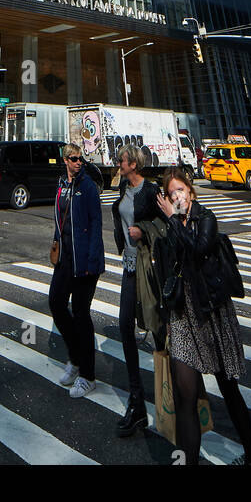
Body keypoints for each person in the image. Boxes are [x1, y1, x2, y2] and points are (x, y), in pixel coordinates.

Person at [156, 166, 251, 466]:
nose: (177, 196)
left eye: (180, 191)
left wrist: (174, 221)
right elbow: (169, 265)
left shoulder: (206, 219)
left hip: (211, 312)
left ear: (191, 192)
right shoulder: (171, 225)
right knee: (185, 397)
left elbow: (198, 251)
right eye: (171, 193)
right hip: (183, 316)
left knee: (229, 389)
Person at [111, 144, 163, 437]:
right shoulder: (122, 189)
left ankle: (170, 397)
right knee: (124, 327)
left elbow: (166, 222)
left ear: (133, 164)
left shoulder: (150, 190)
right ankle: (137, 404)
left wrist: (144, 231)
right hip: (129, 268)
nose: (118, 164)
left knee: (158, 331)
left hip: (149, 269)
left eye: (121, 160)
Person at [48, 143, 103, 399]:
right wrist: (56, 244)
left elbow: (95, 224)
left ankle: (88, 376)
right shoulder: (61, 185)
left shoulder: (87, 186)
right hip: (65, 259)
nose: (79, 162)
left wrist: (92, 261)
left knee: (82, 315)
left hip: (85, 262)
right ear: (65, 160)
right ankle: (76, 357)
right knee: (56, 303)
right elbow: (59, 219)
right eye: (74, 158)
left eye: (80, 158)